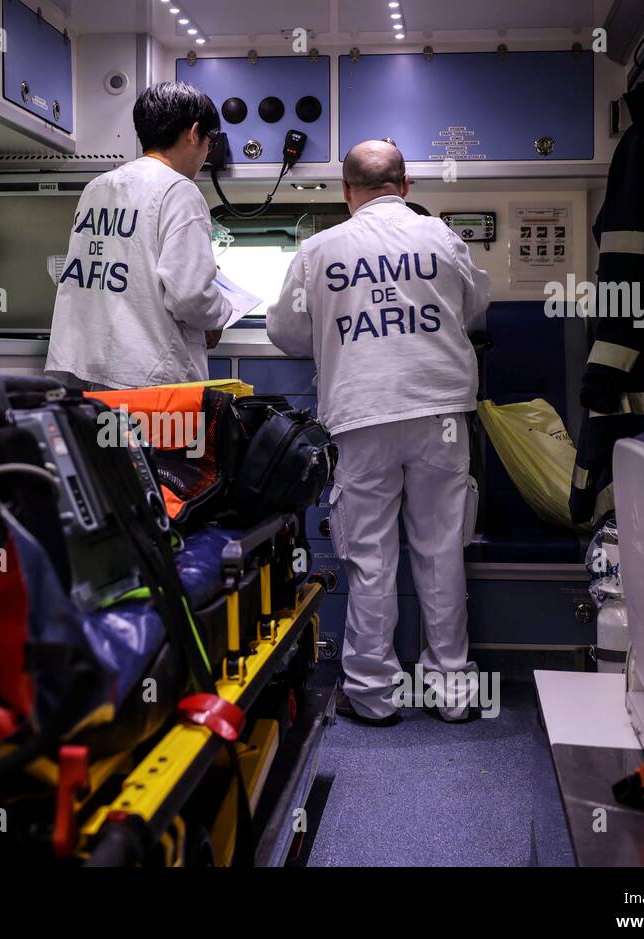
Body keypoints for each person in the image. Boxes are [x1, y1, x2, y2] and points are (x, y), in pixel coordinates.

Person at [266, 140, 491, 724]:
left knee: (370, 556)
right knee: (442, 550)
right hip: (439, 412)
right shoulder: (442, 237)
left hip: (361, 415)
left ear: (346, 192)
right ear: (406, 185)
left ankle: (371, 693)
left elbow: (286, 333)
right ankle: (453, 691)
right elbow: (473, 307)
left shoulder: (319, 250)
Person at [45, 81, 231, 391]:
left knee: (105, 442)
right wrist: (221, 312)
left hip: (87, 373)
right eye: (209, 141)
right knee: (168, 443)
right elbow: (189, 295)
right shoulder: (180, 191)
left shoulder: (97, 187)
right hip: (152, 384)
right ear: (193, 132)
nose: (207, 153)